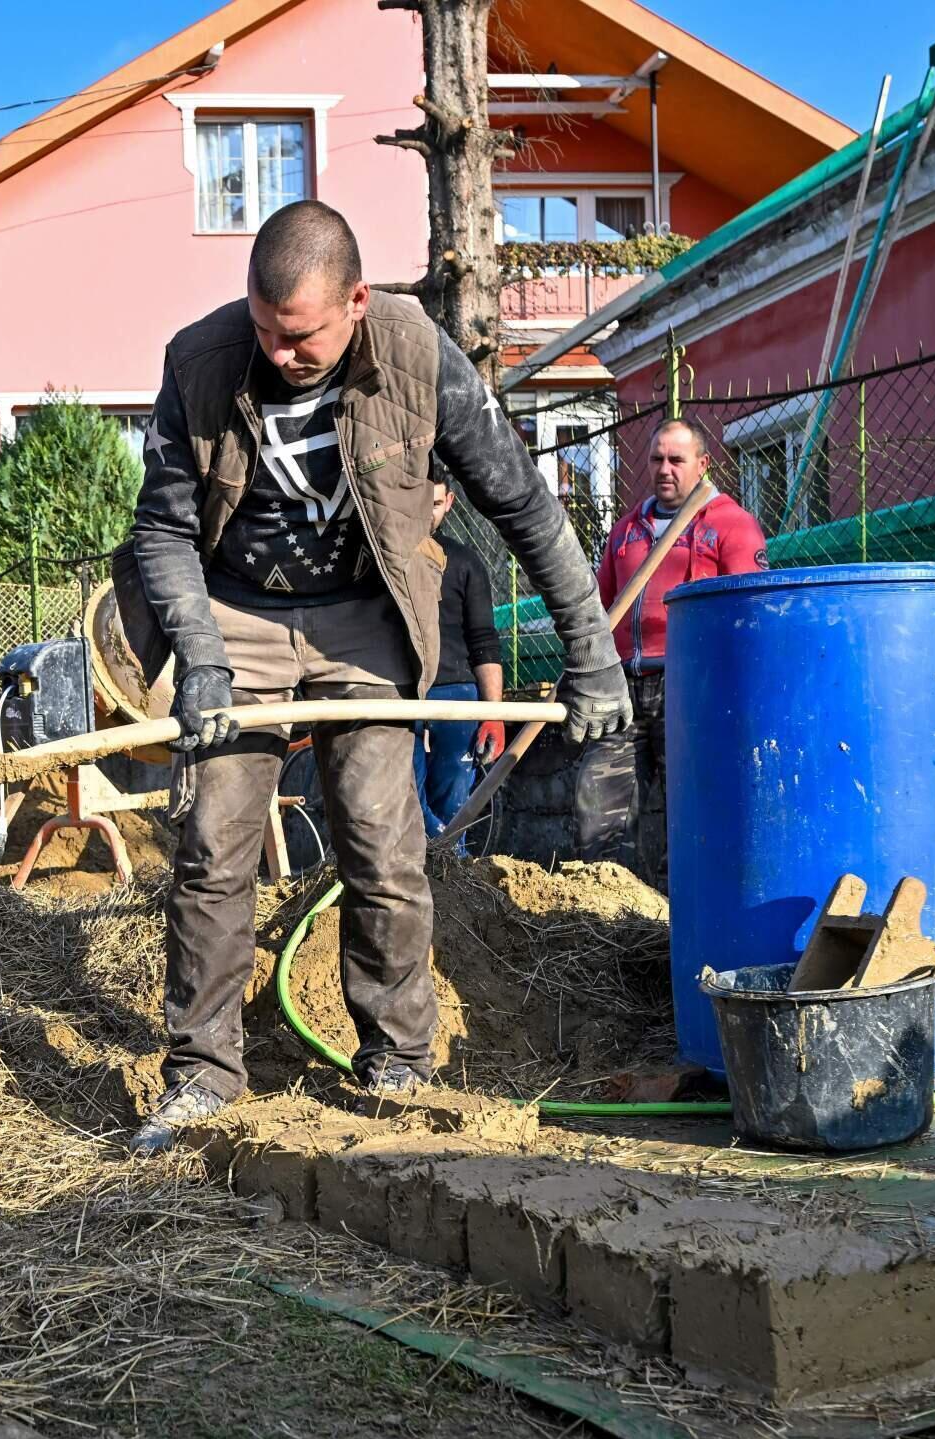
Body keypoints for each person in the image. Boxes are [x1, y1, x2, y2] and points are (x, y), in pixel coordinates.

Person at [115, 201, 628, 1154]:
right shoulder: (201, 361)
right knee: (216, 846)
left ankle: (399, 1061)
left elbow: (520, 503)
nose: (278, 354)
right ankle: (201, 1074)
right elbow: (163, 529)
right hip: (239, 607)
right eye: (265, 331)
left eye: (301, 336)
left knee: (382, 841)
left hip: (368, 608)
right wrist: (203, 657)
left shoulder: (416, 353)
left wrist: (592, 655)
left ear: (356, 299)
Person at [574, 418, 766, 889]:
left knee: (691, 810)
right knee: (597, 808)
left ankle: (678, 918)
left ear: (702, 464)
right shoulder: (626, 531)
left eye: (677, 460)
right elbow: (601, 606)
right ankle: (605, 916)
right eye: (657, 458)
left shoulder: (730, 525)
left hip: (690, 687)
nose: (665, 469)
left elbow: (751, 613)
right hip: (621, 686)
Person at [412, 477, 504, 848]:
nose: (427, 513)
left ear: (449, 501)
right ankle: (431, 857)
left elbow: (484, 642)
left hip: (455, 696)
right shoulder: (383, 560)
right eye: (420, 502)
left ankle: (454, 881)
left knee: (454, 807)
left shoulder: (465, 562)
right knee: (404, 805)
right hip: (397, 694)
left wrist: (494, 712)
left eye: (435, 504)